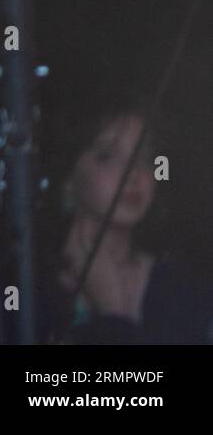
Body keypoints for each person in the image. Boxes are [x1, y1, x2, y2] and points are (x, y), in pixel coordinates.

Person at [41, 105, 212, 344]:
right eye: (106, 155)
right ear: (69, 180)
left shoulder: (185, 289)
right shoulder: (29, 294)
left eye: (144, 156)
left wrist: (113, 314)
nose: (134, 172)